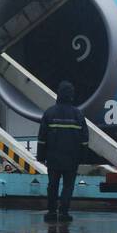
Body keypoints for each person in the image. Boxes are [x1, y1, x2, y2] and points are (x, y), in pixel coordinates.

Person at [37, 80, 89, 223]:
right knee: (68, 186)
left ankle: (52, 212)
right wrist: (82, 157)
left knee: (52, 185)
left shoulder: (49, 113)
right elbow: (85, 139)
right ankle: (64, 213)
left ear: (58, 94)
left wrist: (41, 156)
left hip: (53, 158)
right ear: (72, 96)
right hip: (71, 159)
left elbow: (42, 138)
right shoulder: (78, 115)